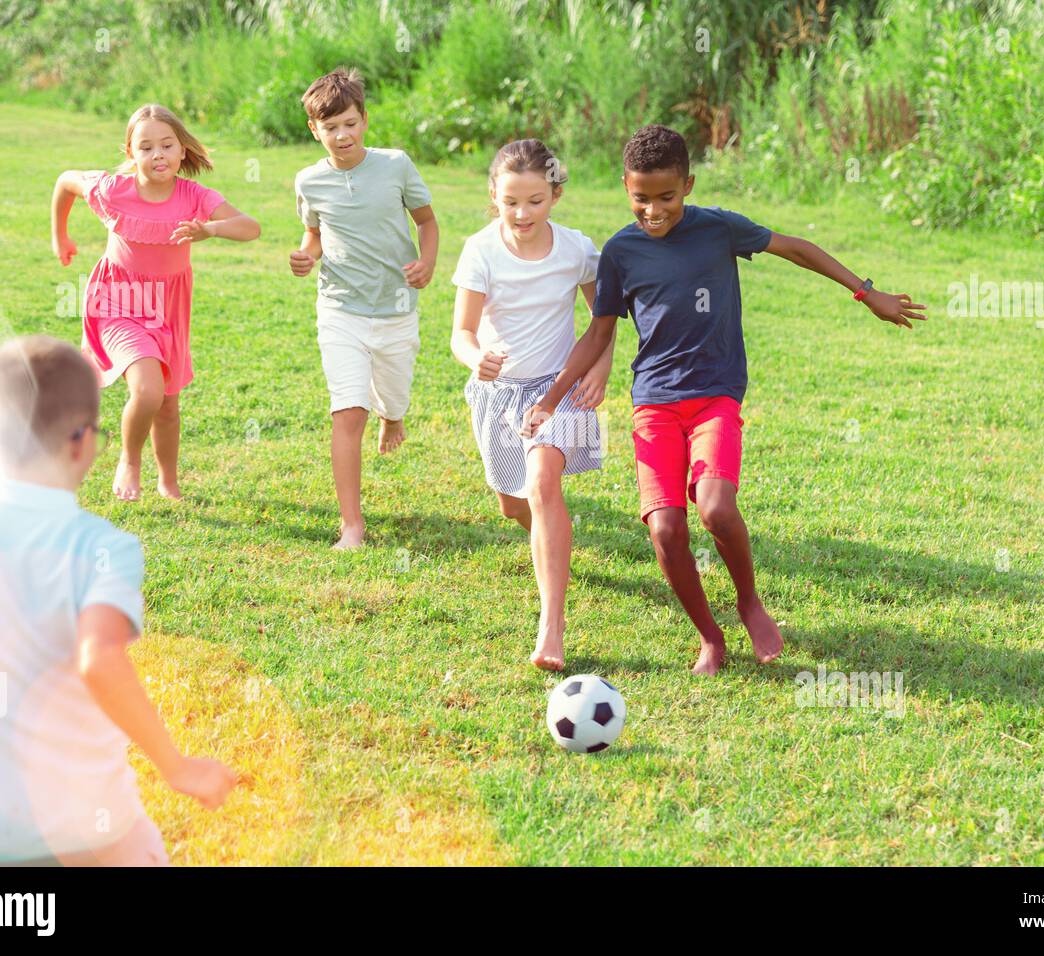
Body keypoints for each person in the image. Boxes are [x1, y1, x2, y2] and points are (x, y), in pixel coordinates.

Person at [524, 124, 926, 675]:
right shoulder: (620, 252)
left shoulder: (717, 229)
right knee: (664, 528)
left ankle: (748, 601)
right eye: (641, 197)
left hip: (714, 395)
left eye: (666, 196)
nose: (653, 210)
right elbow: (598, 333)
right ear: (624, 187)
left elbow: (797, 248)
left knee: (714, 506)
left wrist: (865, 291)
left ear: (687, 185)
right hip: (653, 403)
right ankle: (710, 636)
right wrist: (550, 399)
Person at [0, 336, 237, 866]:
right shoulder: (103, 548)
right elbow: (100, 658)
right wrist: (177, 767)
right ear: (83, 442)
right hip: (86, 841)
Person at [451, 139, 615, 670]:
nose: (523, 214)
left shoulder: (576, 249)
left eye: (536, 201)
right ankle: (551, 537)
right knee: (514, 503)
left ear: (556, 195)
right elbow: (461, 332)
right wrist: (477, 358)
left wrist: (600, 367)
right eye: (511, 202)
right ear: (494, 196)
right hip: (499, 394)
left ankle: (552, 625)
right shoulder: (480, 249)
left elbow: (603, 319)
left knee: (544, 482)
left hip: (560, 387)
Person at [52, 103, 260, 502]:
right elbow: (65, 182)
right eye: (145, 147)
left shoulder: (194, 196)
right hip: (119, 301)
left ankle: (169, 481)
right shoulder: (113, 190)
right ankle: (130, 460)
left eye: (167, 145)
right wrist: (60, 236)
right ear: (131, 153)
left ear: (183, 150)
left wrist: (211, 229)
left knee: (167, 405)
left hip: (169, 306)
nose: (158, 154)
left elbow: (251, 227)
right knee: (147, 391)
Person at [291, 67, 439, 550]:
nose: (342, 135)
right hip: (341, 310)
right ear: (315, 130)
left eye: (350, 123)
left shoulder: (395, 165)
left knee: (392, 396)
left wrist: (428, 261)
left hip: (396, 308)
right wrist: (305, 257)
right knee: (347, 411)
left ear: (364, 121)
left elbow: (427, 221)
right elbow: (313, 235)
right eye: (330, 128)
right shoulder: (309, 181)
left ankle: (392, 416)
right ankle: (352, 525)